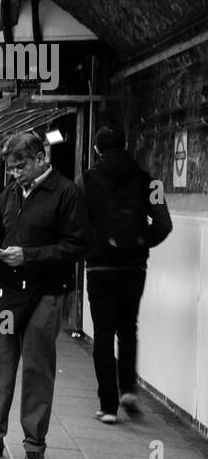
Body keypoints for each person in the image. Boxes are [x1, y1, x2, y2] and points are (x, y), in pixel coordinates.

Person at [0, 132, 86, 459]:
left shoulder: (67, 193)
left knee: (37, 367)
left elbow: (76, 247)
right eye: (10, 169)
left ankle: (34, 445)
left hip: (45, 294)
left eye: (20, 166)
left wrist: (29, 256)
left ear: (42, 157)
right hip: (9, 293)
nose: (14, 175)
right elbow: (1, 230)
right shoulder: (11, 194)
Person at [77, 127, 172, 424]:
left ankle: (108, 406)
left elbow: (76, 221)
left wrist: (91, 247)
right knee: (128, 328)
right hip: (134, 268)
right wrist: (141, 244)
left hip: (100, 267)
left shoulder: (85, 181)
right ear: (127, 145)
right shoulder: (150, 180)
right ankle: (128, 389)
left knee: (103, 334)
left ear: (96, 150)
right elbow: (164, 224)